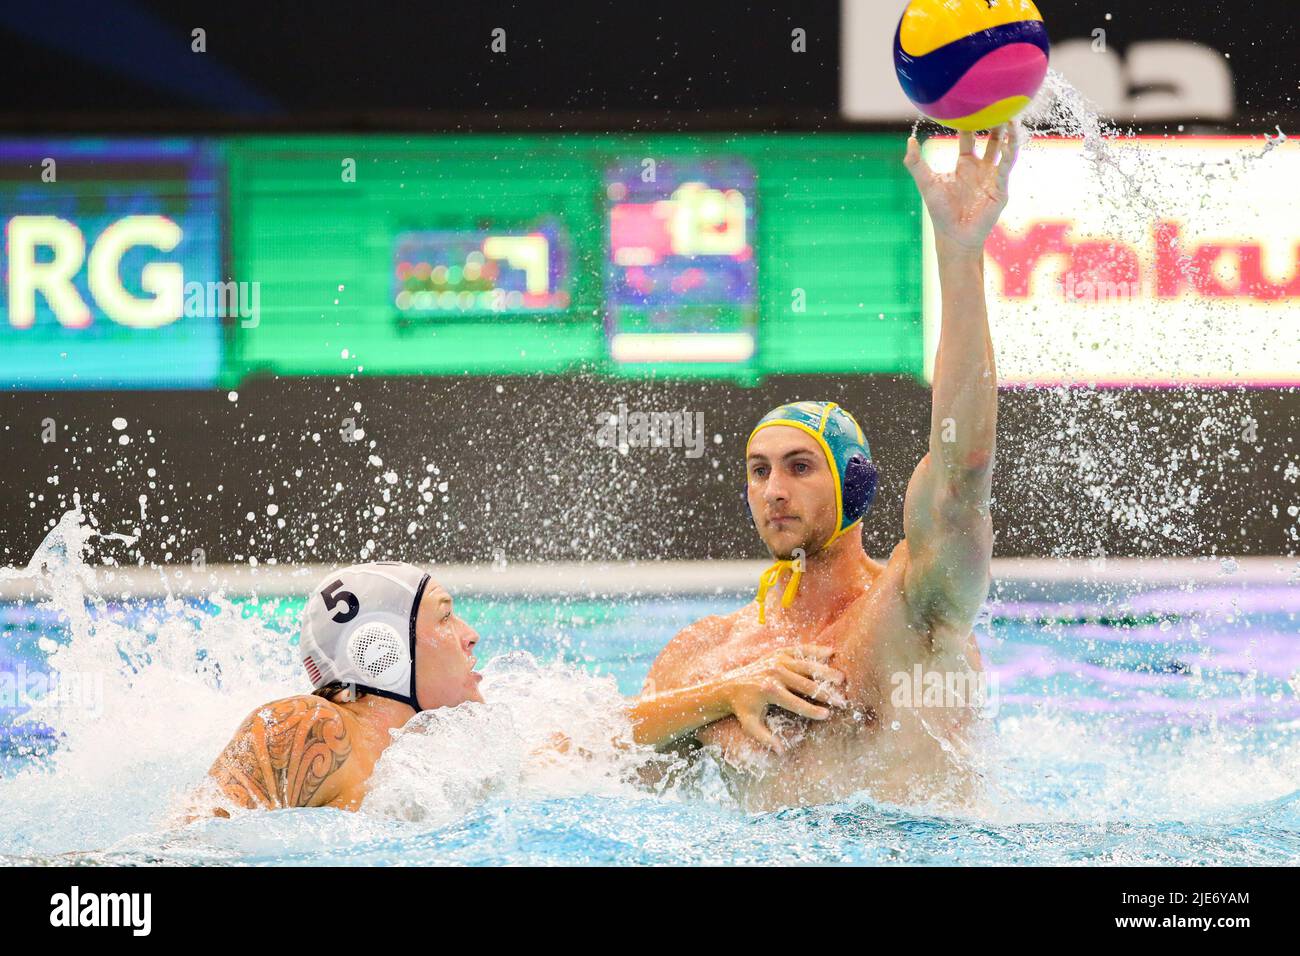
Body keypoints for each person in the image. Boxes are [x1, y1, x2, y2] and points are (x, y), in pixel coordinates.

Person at [642, 124, 1021, 810]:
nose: (773, 490)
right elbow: (588, 757)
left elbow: (965, 475)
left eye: (798, 467)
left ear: (856, 484)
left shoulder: (913, 610)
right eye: (758, 471)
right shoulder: (711, 650)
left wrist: (960, 256)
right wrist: (721, 695)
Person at [203, 561, 845, 813]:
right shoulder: (308, 726)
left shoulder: (452, 756)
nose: (471, 633)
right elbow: (183, 845)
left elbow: (598, 742)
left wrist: (726, 692)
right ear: (382, 650)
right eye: (446, 614)